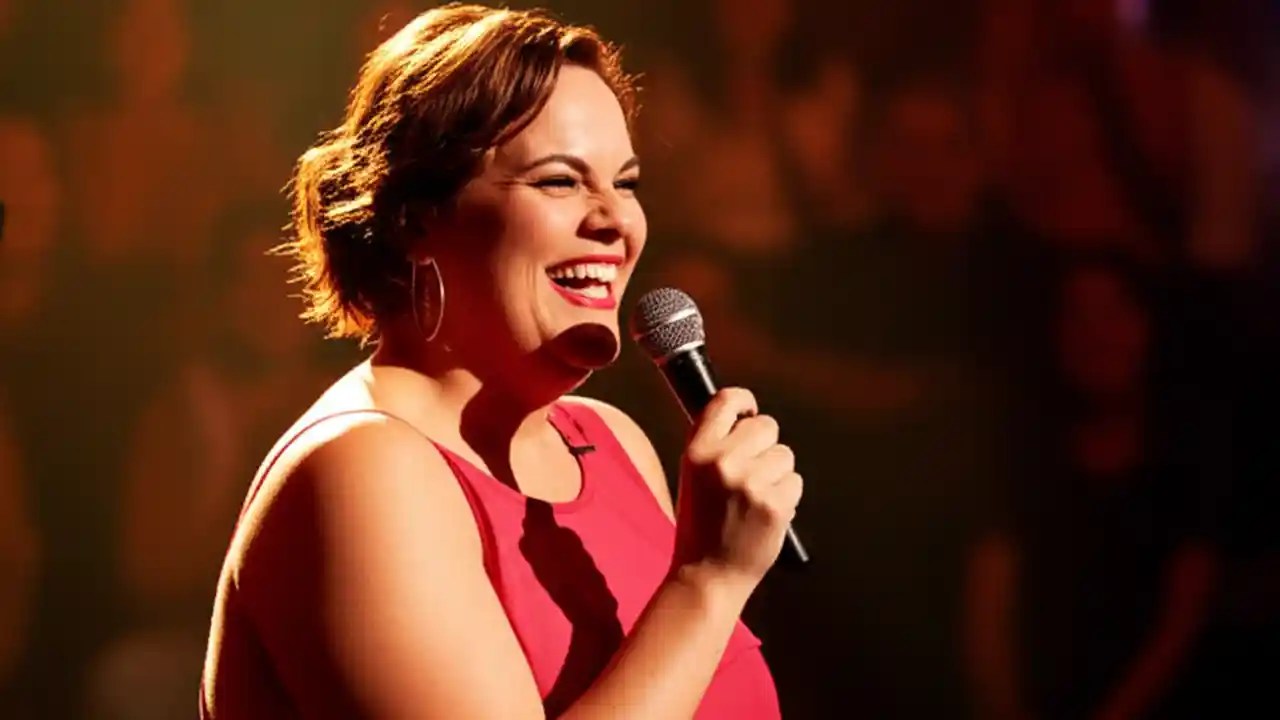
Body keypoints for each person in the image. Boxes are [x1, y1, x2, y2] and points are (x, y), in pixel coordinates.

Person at [200, 5, 802, 719]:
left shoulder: (612, 442)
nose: (615, 220)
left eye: (626, 183)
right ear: (415, 218)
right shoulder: (360, 469)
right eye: (560, 182)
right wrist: (707, 582)